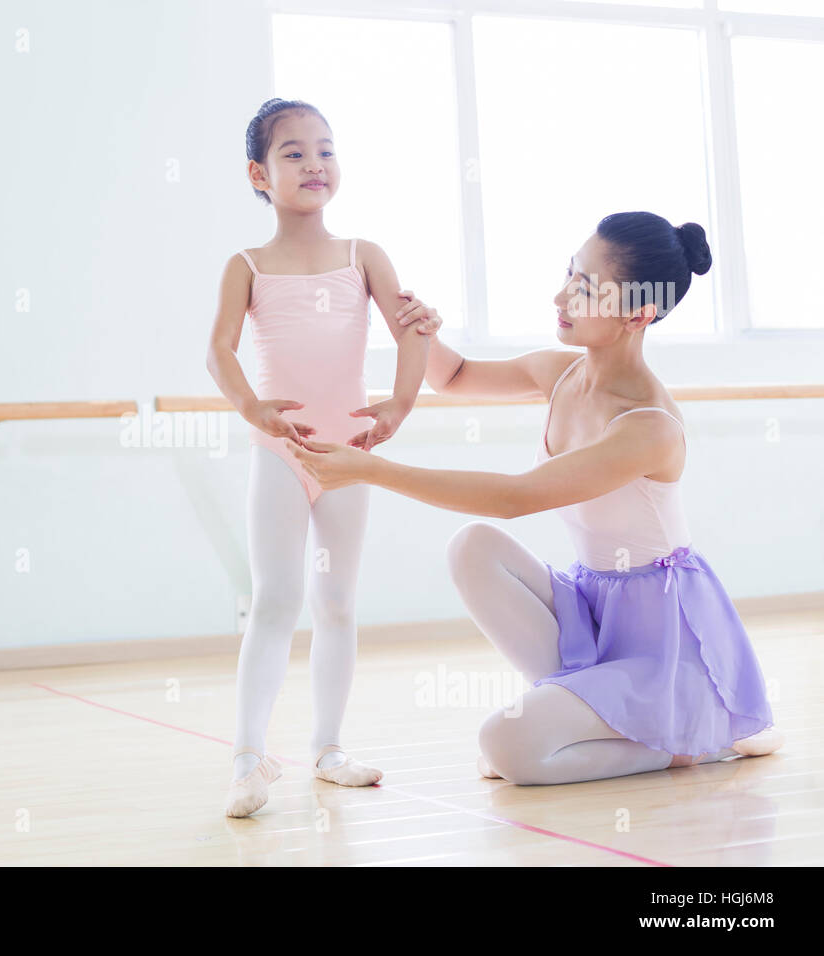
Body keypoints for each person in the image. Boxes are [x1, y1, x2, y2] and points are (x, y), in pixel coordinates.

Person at [285, 211, 783, 785]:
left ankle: (687, 743)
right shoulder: (562, 374)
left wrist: (372, 470)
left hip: (663, 650)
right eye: (570, 274)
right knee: (472, 547)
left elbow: (516, 497)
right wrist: (420, 331)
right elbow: (455, 376)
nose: (562, 296)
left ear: (639, 313)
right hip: (597, 610)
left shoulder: (648, 428)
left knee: (504, 743)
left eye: (586, 288)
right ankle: (581, 713)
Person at [205, 98, 441, 815]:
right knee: (275, 599)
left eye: (326, 149)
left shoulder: (362, 255)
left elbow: (413, 332)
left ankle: (328, 747)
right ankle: (249, 755)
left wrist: (399, 404)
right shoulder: (246, 265)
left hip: (349, 453)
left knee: (335, 600)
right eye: (294, 153)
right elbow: (218, 351)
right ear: (258, 173)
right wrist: (253, 410)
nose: (314, 164)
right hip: (280, 453)